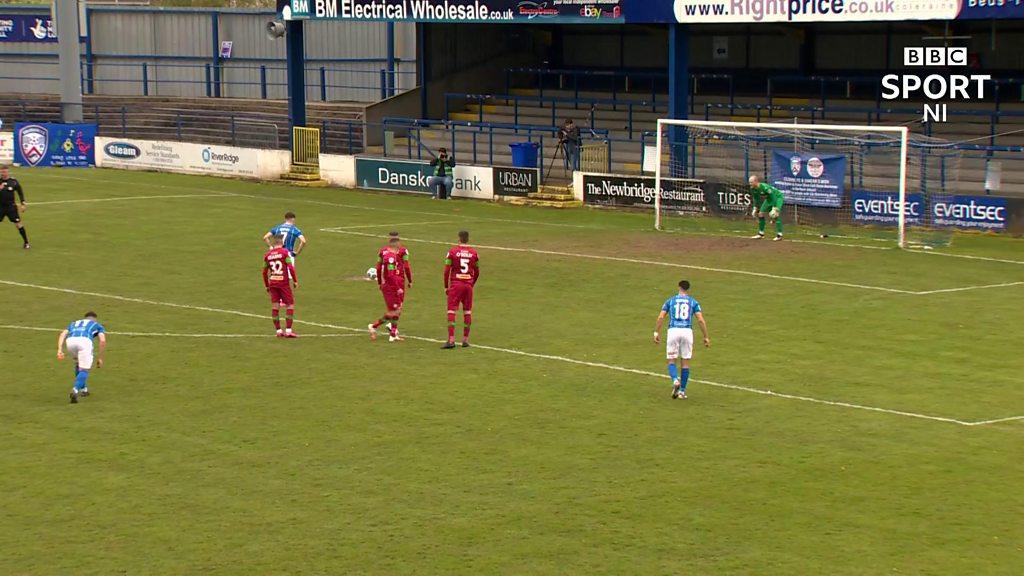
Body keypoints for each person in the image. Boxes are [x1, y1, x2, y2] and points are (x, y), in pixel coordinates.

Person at [653, 280, 710, 400]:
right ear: (688, 289)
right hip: (687, 331)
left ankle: (675, 380)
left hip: (673, 331)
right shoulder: (693, 302)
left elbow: (661, 316)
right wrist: (706, 336)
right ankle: (682, 392)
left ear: (679, 287)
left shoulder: (671, 301)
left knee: (671, 360)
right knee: (685, 363)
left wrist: (656, 332)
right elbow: (700, 320)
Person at [369, 232, 413, 343]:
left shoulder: (383, 251)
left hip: (396, 283)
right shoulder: (401, 251)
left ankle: (393, 332)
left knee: (398, 308)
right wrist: (409, 280)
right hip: (394, 284)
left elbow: (379, 268)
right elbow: (406, 266)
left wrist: (379, 281)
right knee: (395, 310)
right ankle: (375, 326)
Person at [57, 312, 107, 404]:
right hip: (84, 341)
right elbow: (102, 340)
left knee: (78, 364)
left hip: (70, 341)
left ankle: (84, 389)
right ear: (94, 319)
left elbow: (63, 334)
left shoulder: (73, 323)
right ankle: (75, 390)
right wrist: (100, 357)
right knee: (84, 369)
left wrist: (60, 349)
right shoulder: (97, 325)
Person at [441, 230, 480, 349]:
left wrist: (446, 286)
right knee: (467, 311)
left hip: (456, 284)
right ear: (468, 239)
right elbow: (477, 271)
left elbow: (447, 270)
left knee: (451, 310)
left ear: (459, 238)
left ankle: (451, 340)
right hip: (468, 285)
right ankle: (465, 340)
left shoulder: (452, 252)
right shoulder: (474, 253)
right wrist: (471, 283)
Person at [263, 234, 299, 338]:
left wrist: (267, 285)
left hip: (273, 282)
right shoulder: (284, 253)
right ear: (281, 242)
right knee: (290, 305)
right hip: (283, 283)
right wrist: (295, 281)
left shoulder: (268, 255)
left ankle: (278, 331)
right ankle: (288, 330)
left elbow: (264, 272)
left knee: (275, 307)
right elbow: (290, 268)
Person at [0, 165, 30, 249]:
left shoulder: (13, 181)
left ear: (8, 172)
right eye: (1, 172)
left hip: (11, 207)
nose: (3, 174)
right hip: (0, 207)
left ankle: (26, 242)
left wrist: (23, 203)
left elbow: (20, 191)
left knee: (18, 224)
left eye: (4, 172)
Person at [748, 175, 785, 241]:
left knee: (775, 214)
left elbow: (773, 197)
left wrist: (774, 207)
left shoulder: (765, 187)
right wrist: (754, 208)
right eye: (749, 182)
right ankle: (761, 234)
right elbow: (756, 199)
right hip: (769, 199)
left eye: (751, 182)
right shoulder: (753, 188)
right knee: (760, 214)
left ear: (756, 181)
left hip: (778, 197)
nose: (750, 184)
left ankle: (779, 235)